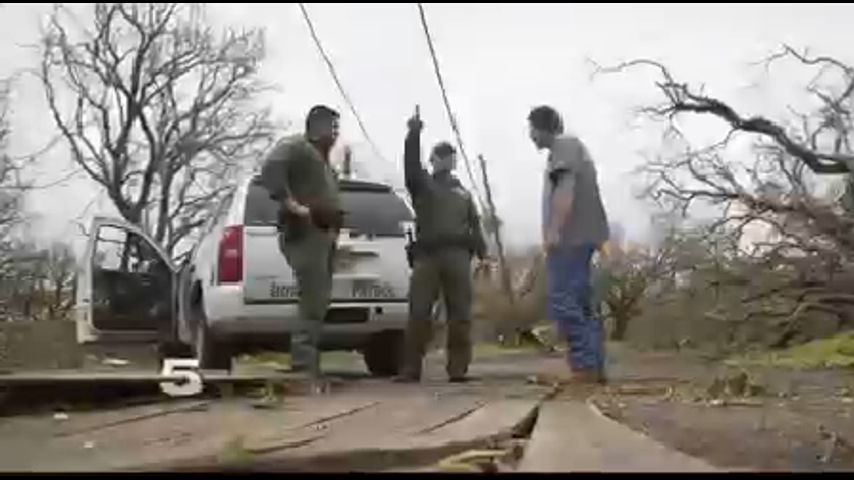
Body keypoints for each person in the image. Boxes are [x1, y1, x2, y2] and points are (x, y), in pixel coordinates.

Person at [395, 106, 488, 383]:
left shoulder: (463, 192)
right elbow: (411, 166)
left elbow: (475, 224)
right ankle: (411, 368)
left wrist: (483, 254)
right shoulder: (423, 185)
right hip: (429, 256)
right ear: (433, 160)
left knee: (461, 314)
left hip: (459, 256)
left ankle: (458, 369)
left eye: (450, 156)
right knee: (419, 312)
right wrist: (413, 134)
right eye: (441, 156)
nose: (446, 160)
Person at [259, 104, 344, 378]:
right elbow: (271, 167)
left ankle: (309, 364)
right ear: (316, 127)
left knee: (319, 301)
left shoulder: (323, 161)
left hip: (323, 235)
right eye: (332, 127)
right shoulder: (296, 145)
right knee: (312, 299)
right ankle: (303, 366)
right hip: (304, 233)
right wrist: (292, 204)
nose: (336, 133)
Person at [528, 105, 610, 384]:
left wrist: (553, 231)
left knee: (562, 299)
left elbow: (566, 189)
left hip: (570, 238)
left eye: (531, 129)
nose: (531, 135)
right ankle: (592, 367)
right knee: (582, 303)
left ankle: (584, 366)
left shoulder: (564, 146)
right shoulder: (571, 148)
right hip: (582, 236)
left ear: (541, 127)